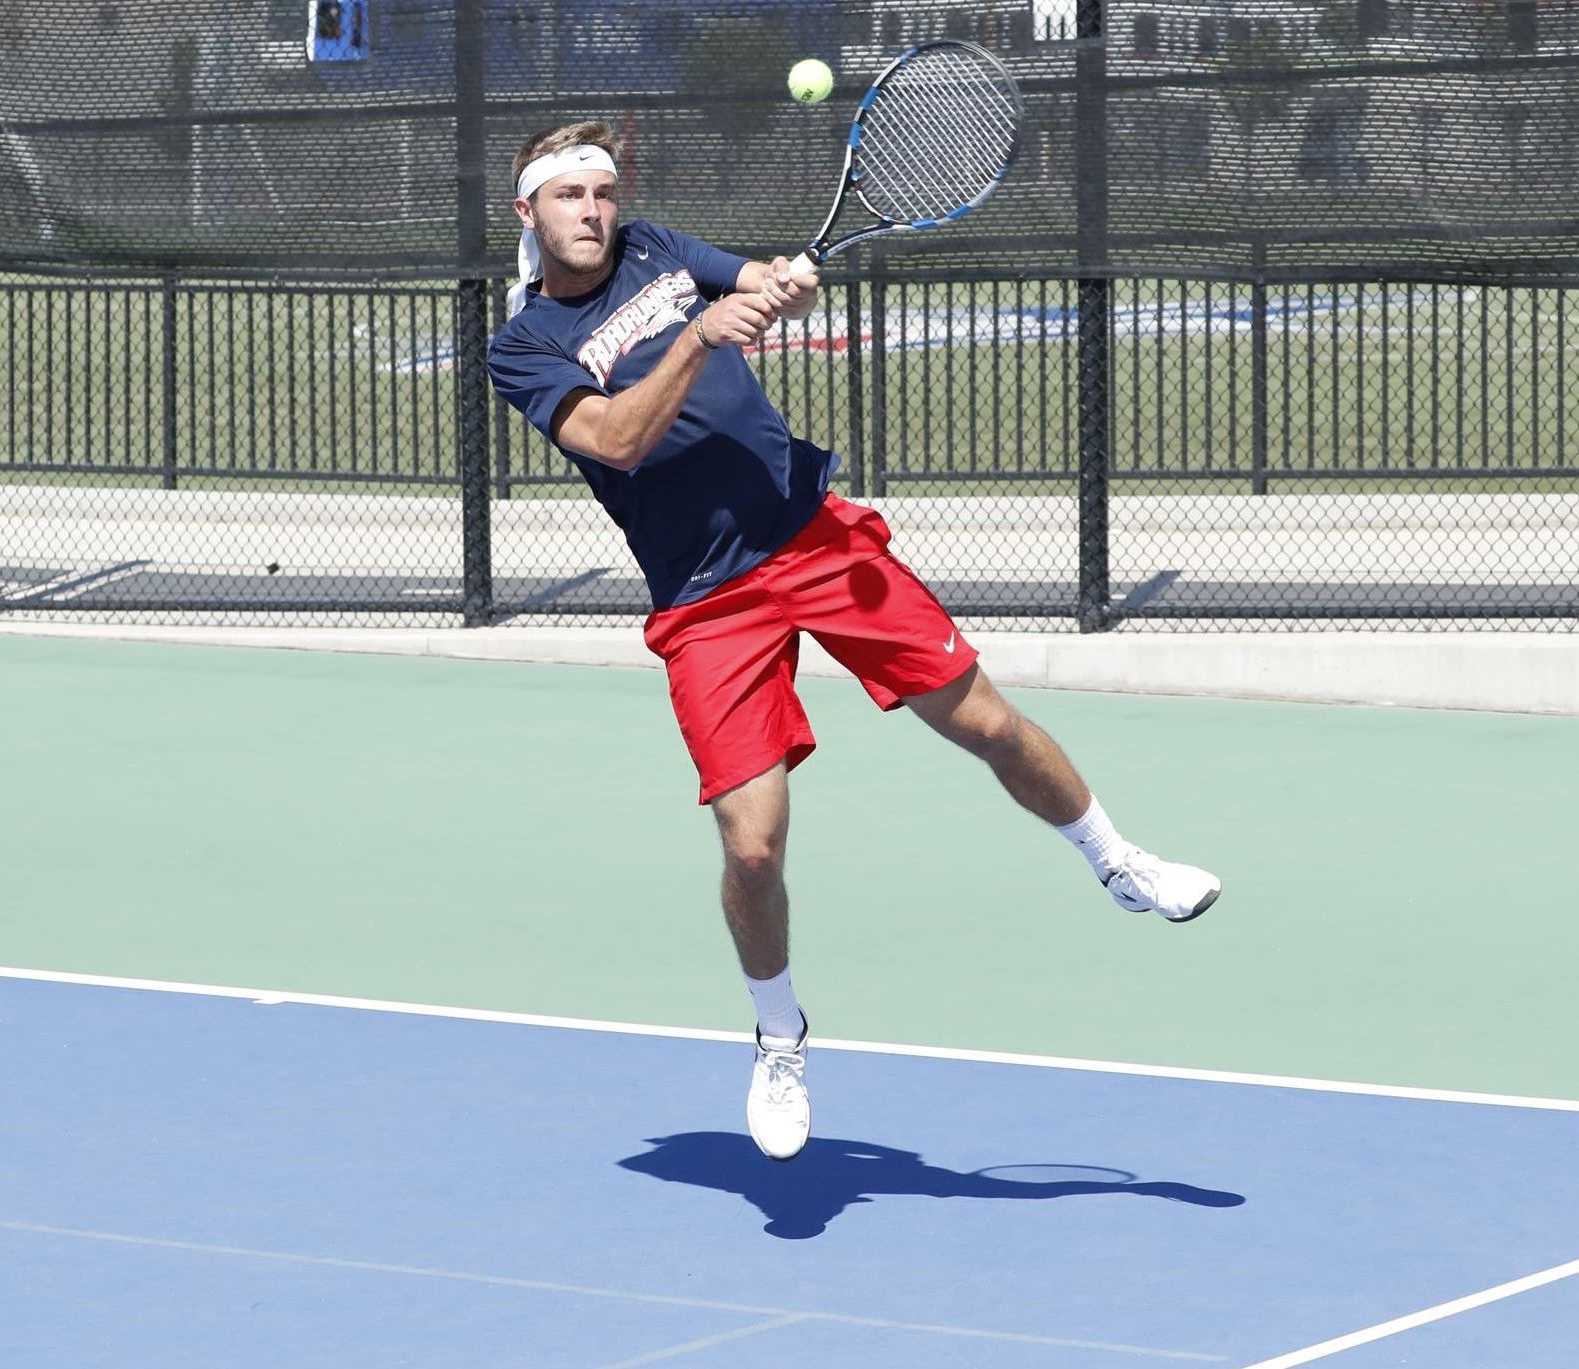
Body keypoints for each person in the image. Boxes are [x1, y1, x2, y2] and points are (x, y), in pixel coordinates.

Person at [485, 122, 1222, 1163]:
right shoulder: (521, 344)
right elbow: (613, 440)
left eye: (603, 191)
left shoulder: (657, 247)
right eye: (569, 196)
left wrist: (784, 290)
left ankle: (1117, 861)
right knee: (751, 844)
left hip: (810, 533)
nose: (593, 211)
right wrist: (702, 336)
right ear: (528, 212)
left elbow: (768, 285)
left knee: (988, 722)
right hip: (706, 600)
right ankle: (778, 1032)